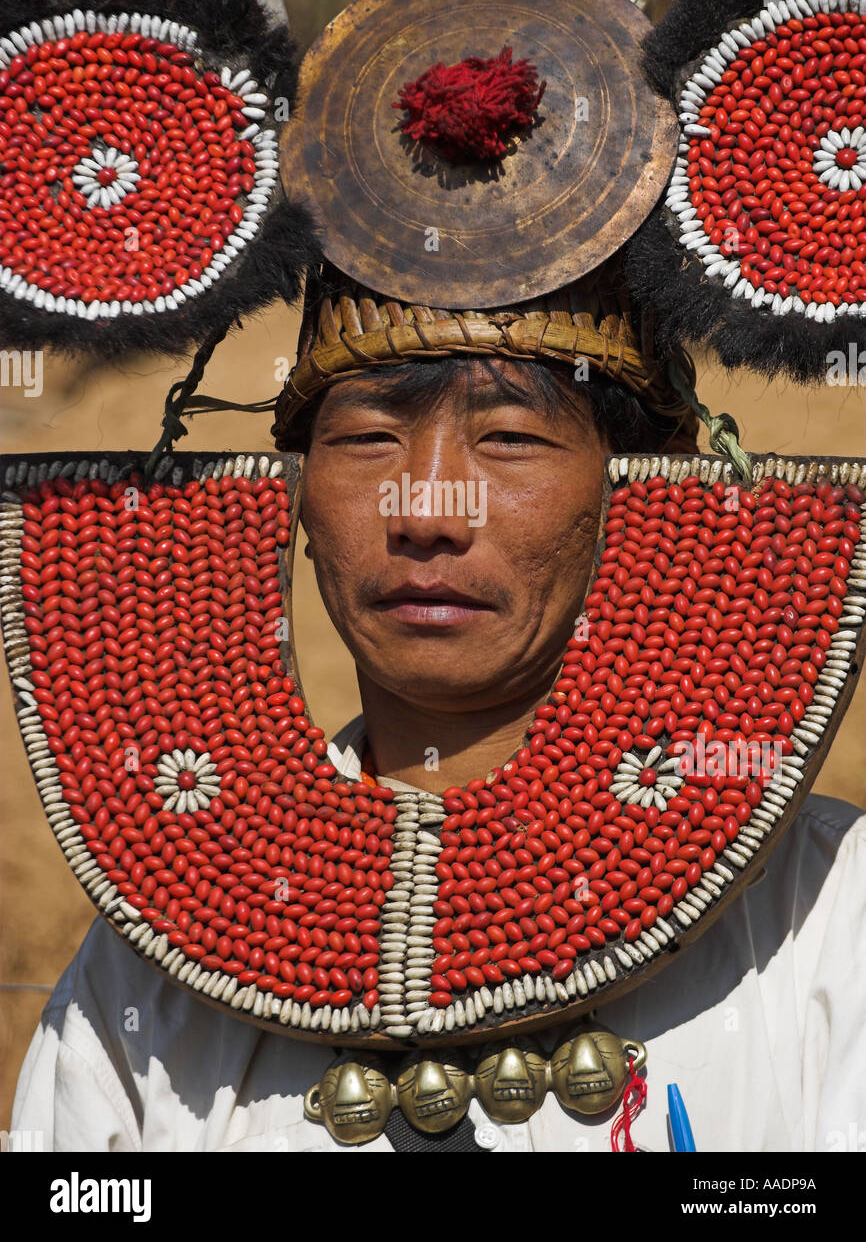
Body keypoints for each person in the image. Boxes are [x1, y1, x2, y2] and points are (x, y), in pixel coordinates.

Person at [10, 352, 866, 1152]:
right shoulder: (159, 952)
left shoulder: (834, 917)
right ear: (299, 498)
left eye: (509, 440)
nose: (424, 512)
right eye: (367, 439)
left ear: (642, 492)